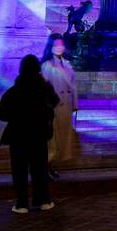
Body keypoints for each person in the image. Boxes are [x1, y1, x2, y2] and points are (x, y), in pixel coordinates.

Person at [0, 54, 59, 213]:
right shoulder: (44, 88)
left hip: (18, 134)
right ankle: (43, 200)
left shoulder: (14, 90)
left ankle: (22, 203)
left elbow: (1, 113)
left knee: (19, 170)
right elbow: (55, 101)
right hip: (39, 134)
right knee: (39, 168)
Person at [41, 34, 79, 177]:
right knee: (52, 140)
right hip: (54, 107)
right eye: (56, 45)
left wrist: (75, 104)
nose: (59, 47)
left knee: (61, 140)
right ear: (50, 47)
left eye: (61, 44)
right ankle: (46, 166)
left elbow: (73, 86)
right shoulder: (47, 65)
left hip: (66, 107)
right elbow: (44, 89)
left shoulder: (67, 64)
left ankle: (50, 166)